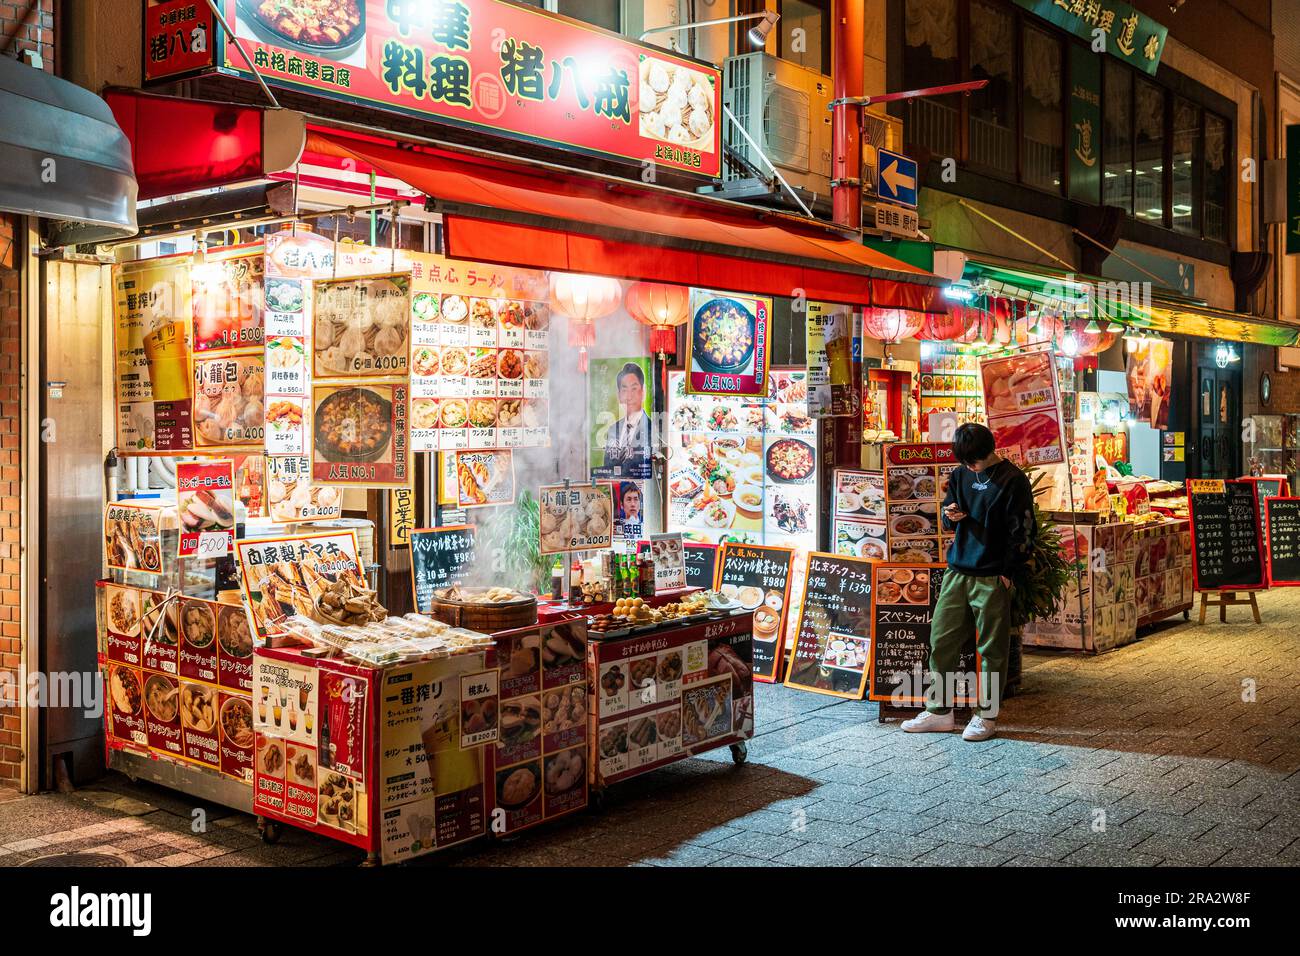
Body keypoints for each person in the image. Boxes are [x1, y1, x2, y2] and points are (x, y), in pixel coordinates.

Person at [901, 423, 1033, 741]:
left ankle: (986, 716)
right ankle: (939, 712)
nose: (969, 467)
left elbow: (1025, 531)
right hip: (957, 569)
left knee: (992, 649)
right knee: (942, 640)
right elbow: (949, 513)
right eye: (965, 462)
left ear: (987, 452)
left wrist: (1008, 573)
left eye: (973, 461)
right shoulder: (961, 475)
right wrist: (951, 514)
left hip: (992, 575)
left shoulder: (1013, 480)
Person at [603, 362, 652, 478]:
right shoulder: (613, 429)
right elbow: (607, 468)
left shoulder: (651, 427)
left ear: (643, 392)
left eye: (634, 389)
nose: (629, 396)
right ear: (619, 395)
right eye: (624, 390)